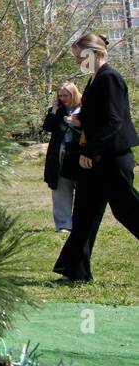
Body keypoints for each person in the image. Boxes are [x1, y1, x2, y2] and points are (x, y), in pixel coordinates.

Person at [53, 33, 139, 283]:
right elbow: (100, 117)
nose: (79, 61)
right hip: (95, 157)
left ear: (97, 54)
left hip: (111, 157)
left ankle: (74, 270)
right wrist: (82, 121)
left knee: (127, 210)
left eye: (81, 56)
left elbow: (114, 120)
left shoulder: (110, 78)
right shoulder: (96, 79)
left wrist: (91, 151)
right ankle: (75, 271)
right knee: (84, 213)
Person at [43, 82, 83, 232]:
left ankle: (80, 222)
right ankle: (64, 224)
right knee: (60, 188)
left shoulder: (84, 107)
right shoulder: (57, 109)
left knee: (82, 188)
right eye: (60, 95)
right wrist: (53, 110)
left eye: (66, 95)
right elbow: (47, 127)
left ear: (74, 94)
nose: (63, 98)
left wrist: (75, 122)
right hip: (60, 151)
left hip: (79, 152)